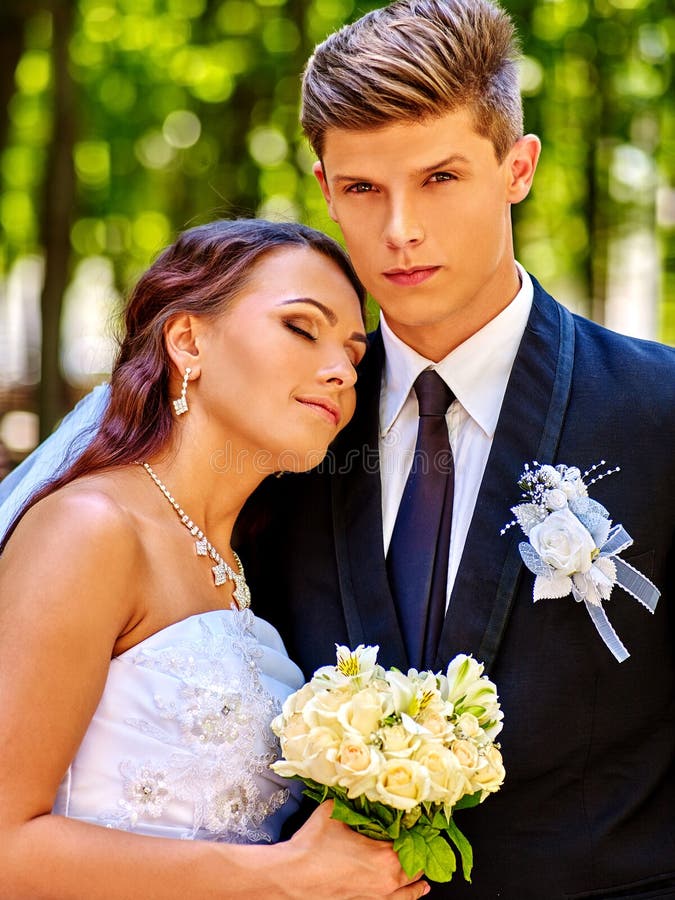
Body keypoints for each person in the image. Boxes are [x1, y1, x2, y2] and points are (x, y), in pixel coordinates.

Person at [238, 1, 675, 898]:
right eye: (363, 189)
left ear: (517, 167)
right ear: (324, 188)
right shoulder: (274, 430)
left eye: (439, 178)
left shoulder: (660, 411)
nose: (400, 228)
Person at [0, 219, 430, 900]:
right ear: (188, 340)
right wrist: (287, 877)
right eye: (301, 327)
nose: (341, 370)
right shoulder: (90, 529)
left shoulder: (239, 563)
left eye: (352, 351)